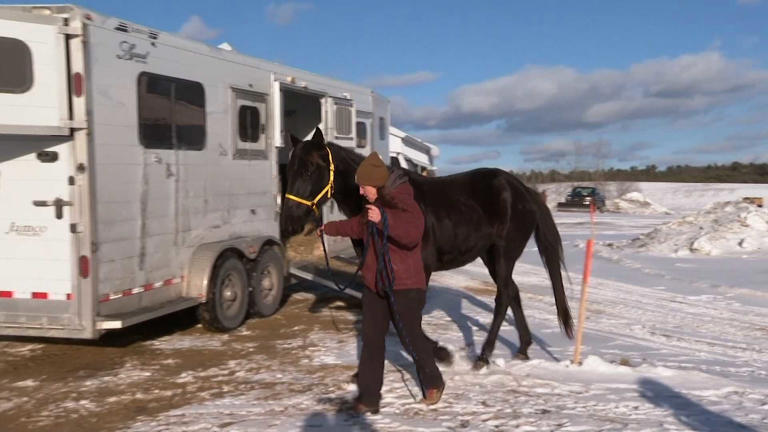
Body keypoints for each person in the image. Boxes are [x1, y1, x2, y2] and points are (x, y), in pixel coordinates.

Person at [318, 151, 444, 414]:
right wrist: (330, 228)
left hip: (405, 286)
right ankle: (368, 398)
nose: (361, 192)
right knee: (372, 339)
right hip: (376, 284)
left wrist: (386, 220)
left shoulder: (404, 201)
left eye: (364, 187)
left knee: (412, 338)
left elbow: (412, 232)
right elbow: (358, 227)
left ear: (376, 184)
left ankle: (433, 381)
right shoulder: (371, 208)